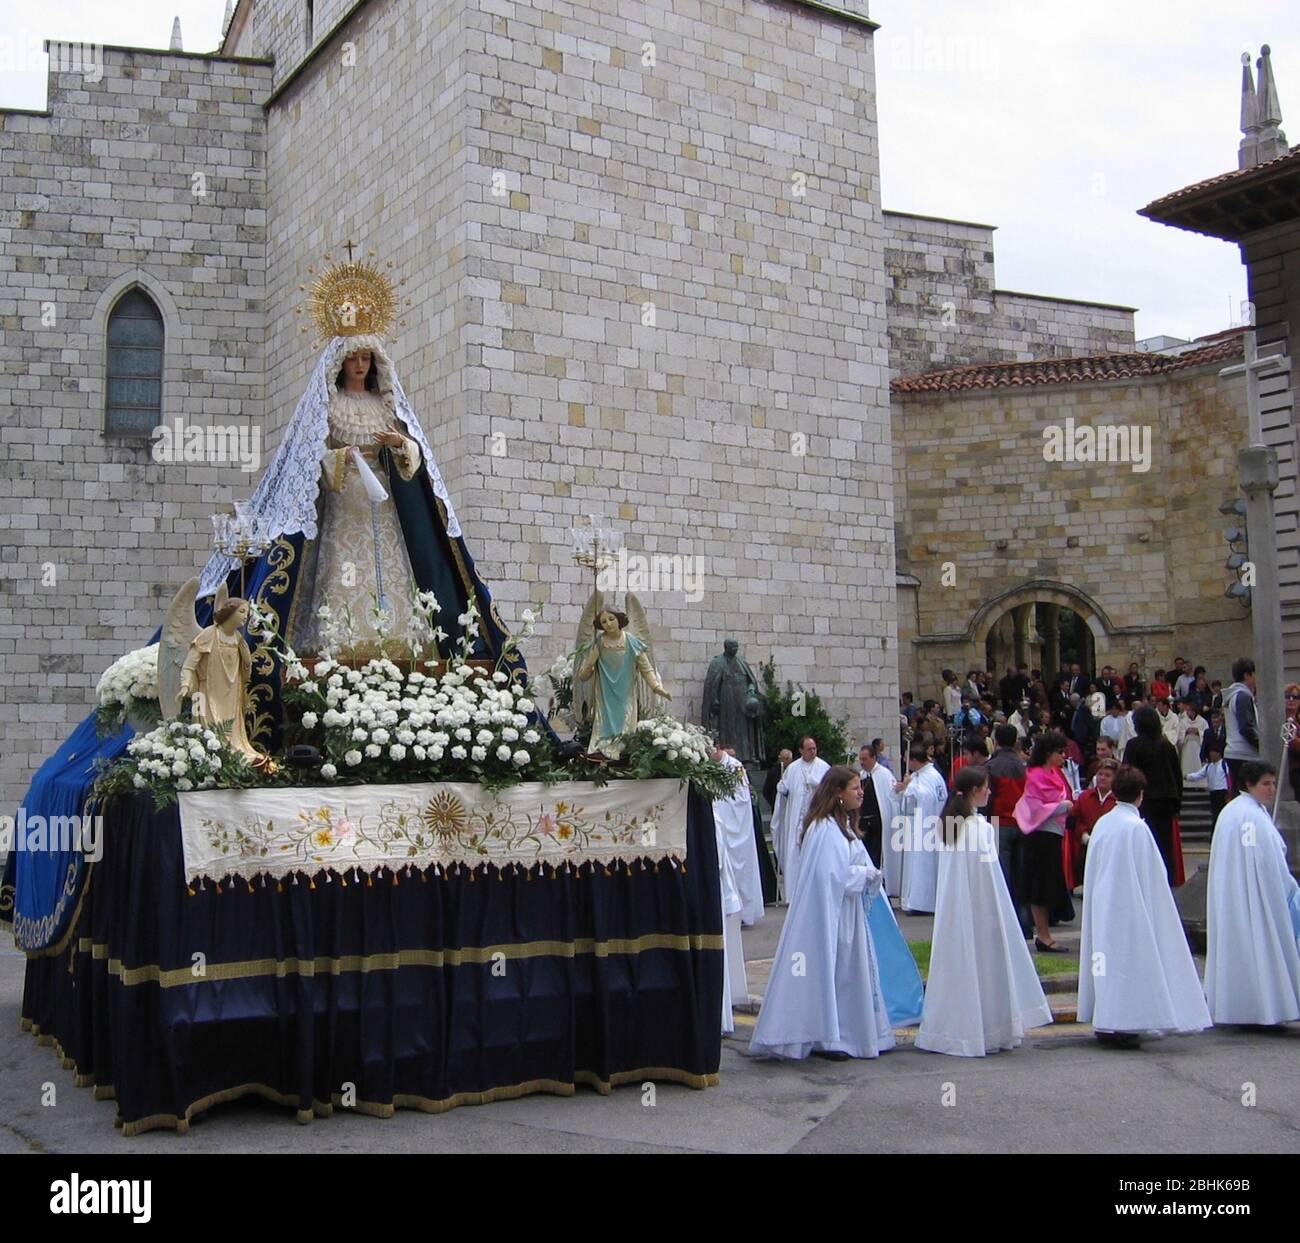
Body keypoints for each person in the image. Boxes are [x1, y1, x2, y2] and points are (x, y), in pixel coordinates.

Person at [749, 767, 894, 1061]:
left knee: (847, 974)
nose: (861, 793)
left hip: (846, 913)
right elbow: (830, 877)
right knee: (836, 973)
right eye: (855, 788)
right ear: (838, 793)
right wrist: (864, 874)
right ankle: (829, 1036)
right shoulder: (825, 829)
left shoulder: (841, 826)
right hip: (833, 917)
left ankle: (846, 1033)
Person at [915, 765, 1052, 1057]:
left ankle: (959, 1028)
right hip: (981, 914)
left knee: (962, 966)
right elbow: (989, 882)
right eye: (986, 787)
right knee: (987, 968)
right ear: (975, 791)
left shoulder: (949, 825)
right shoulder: (979, 829)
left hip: (957, 914)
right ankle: (991, 1027)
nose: (990, 792)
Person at [1077, 766, 1212, 1048]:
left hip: (1104, 907)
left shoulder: (1104, 823)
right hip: (1131, 908)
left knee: (1109, 964)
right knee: (1130, 963)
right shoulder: (1137, 828)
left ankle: (1107, 1017)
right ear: (1141, 795)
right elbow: (1154, 875)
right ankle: (1127, 1020)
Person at [1204, 762, 1300, 1026]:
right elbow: (1270, 862)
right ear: (1249, 785)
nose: (1271, 789)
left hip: (1235, 896)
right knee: (1261, 946)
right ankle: (1264, 1006)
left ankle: (1242, 1006)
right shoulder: (1254, 817)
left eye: (1273, 784)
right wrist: (1287, 887)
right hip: (1256, 897)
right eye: (1265, 784)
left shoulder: (1232, 812)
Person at [1012, 731, 1073, 953]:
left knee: (1047, 884)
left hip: (1053, 833)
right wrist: (1062, 806)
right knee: (1040, 884)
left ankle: (1045, 933)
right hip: (1040, 835)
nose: (1063, 756)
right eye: (1059, 752)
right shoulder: (1036, 775)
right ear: (1049, 753)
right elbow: (1035, 807)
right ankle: (1043, 935)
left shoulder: (1054, 773)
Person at [1122, 706, 1183, 886]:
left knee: (1145, 844)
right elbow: (1177, 776)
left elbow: (1129, 774)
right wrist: (1177, 803)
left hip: (1144, 801)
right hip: (1167, 801)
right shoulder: (1167, 746)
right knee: (1164, 845)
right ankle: (1166, 881)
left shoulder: (1134, 746)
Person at [711, 742, 764, 926]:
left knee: (741, 871)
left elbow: (741, 798)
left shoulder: (735, 767)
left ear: (717, 749)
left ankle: (744, 914)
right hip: (721, 827)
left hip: (736, 829)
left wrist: (718, 805)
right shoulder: (711, 767)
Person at [770, 736, 829, 901]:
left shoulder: (823, 766)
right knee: (795, 853)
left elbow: (830, 789)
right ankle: (794, 894)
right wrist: (782, 788)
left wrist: (818, 784)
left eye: (814, 748)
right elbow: (785, 788)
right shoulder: (793, 768)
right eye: (809, 749)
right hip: (796, 819)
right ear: (801, 750)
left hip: (815, 817)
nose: (813, 751)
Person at [986, 723, 1030, 936]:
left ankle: (1004, 925)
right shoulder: (1022, 766)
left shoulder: (992, 767)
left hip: (1000, 822)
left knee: (1002, 876)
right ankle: (1024, 922)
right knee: (1020, 874)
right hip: (1021, 822)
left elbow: (989, 797)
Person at [895, 742, 946, 914]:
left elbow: (927, 797)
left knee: (924, 864)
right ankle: (915, 900)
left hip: (927, 826)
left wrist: (910, 786)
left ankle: (923, 904)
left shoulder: (930, 776)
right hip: (921, 825)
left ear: (915, 761)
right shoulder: (923, 775)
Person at [1069, 757, 1119, 890]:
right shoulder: (1084, 797)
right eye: (1100, 774)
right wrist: (1083, 834)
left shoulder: (1119, 800)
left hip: (1111, 850)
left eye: (1107, 775)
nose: (1102, 778)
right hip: (1087, 849)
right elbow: (1075, 819)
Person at [1222, 657, 1261, 792]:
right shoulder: (1242, 696)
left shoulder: (1234, 695)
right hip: (1243, 754)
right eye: (1254, 674)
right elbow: (1246, 727)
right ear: (1247, 675)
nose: (1256, 678)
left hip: (1236, 753)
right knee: (1246, 795)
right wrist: (1262, 745)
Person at [856, 743, 891, 869]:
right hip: (863, 823)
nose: (861, 762)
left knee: (876, 857)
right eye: (860, 759)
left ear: (873, 758)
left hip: (877, 824)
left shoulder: (884, 775)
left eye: (864, 759)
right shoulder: (861, 776)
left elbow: (888, 800)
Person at [1184, 744, 1230, 830]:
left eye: (1213, 753)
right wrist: (1187, 776)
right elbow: (1198, 775)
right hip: (1213, 792)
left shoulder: (1224, 764)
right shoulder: (1209, 766)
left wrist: (1229, 792)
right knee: (1215, 813)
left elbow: (1229, 777)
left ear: (1218, 753)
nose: (1211, 755)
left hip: (1222, 792)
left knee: (1219, 813)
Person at [1175, 699, 1209, 787]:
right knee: (1187, 766)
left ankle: (1200, 784)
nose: (1188, 713)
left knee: (1198, 765)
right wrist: (1186, 732)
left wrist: (1198, 732)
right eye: (1188, 711)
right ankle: (1187, 784)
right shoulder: (1183, 721)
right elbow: (1179, 734)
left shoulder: (1202, 721)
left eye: (1190, 711)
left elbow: (1206, 733)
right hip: (1187, 746)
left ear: (1194, 711)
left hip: (1198, 746)